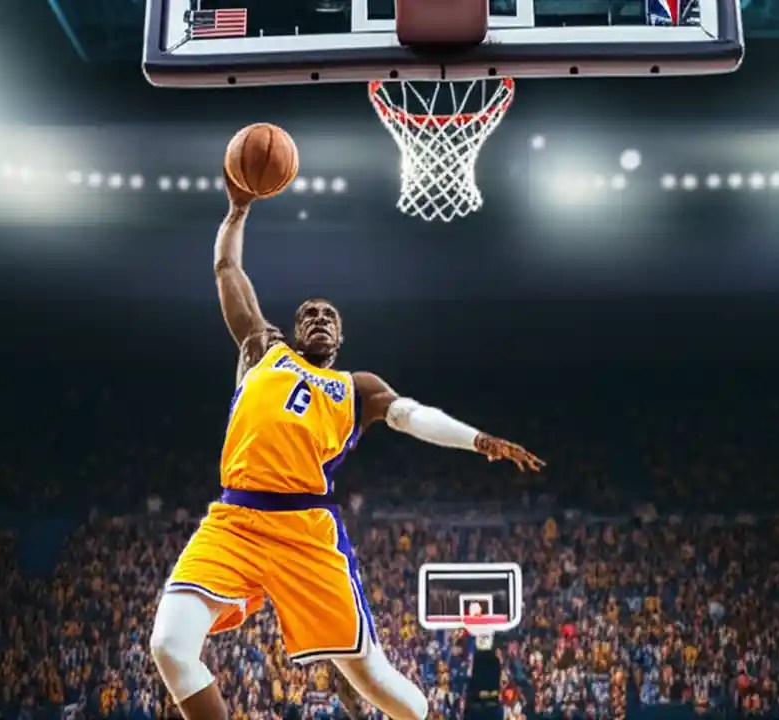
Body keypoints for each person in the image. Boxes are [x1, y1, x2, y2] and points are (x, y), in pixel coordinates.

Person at [150, 173, 546, 720]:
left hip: (306, 532)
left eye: (329, 316)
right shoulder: (262, 350)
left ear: (340, 339)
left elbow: (412, 416)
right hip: (233, 521)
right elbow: (227, 269)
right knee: (169, 646)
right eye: (309, 312)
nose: (318, 318)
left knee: (372, 677)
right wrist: (237, 211)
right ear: (291, 328)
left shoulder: (357, 388)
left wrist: (478, 440)